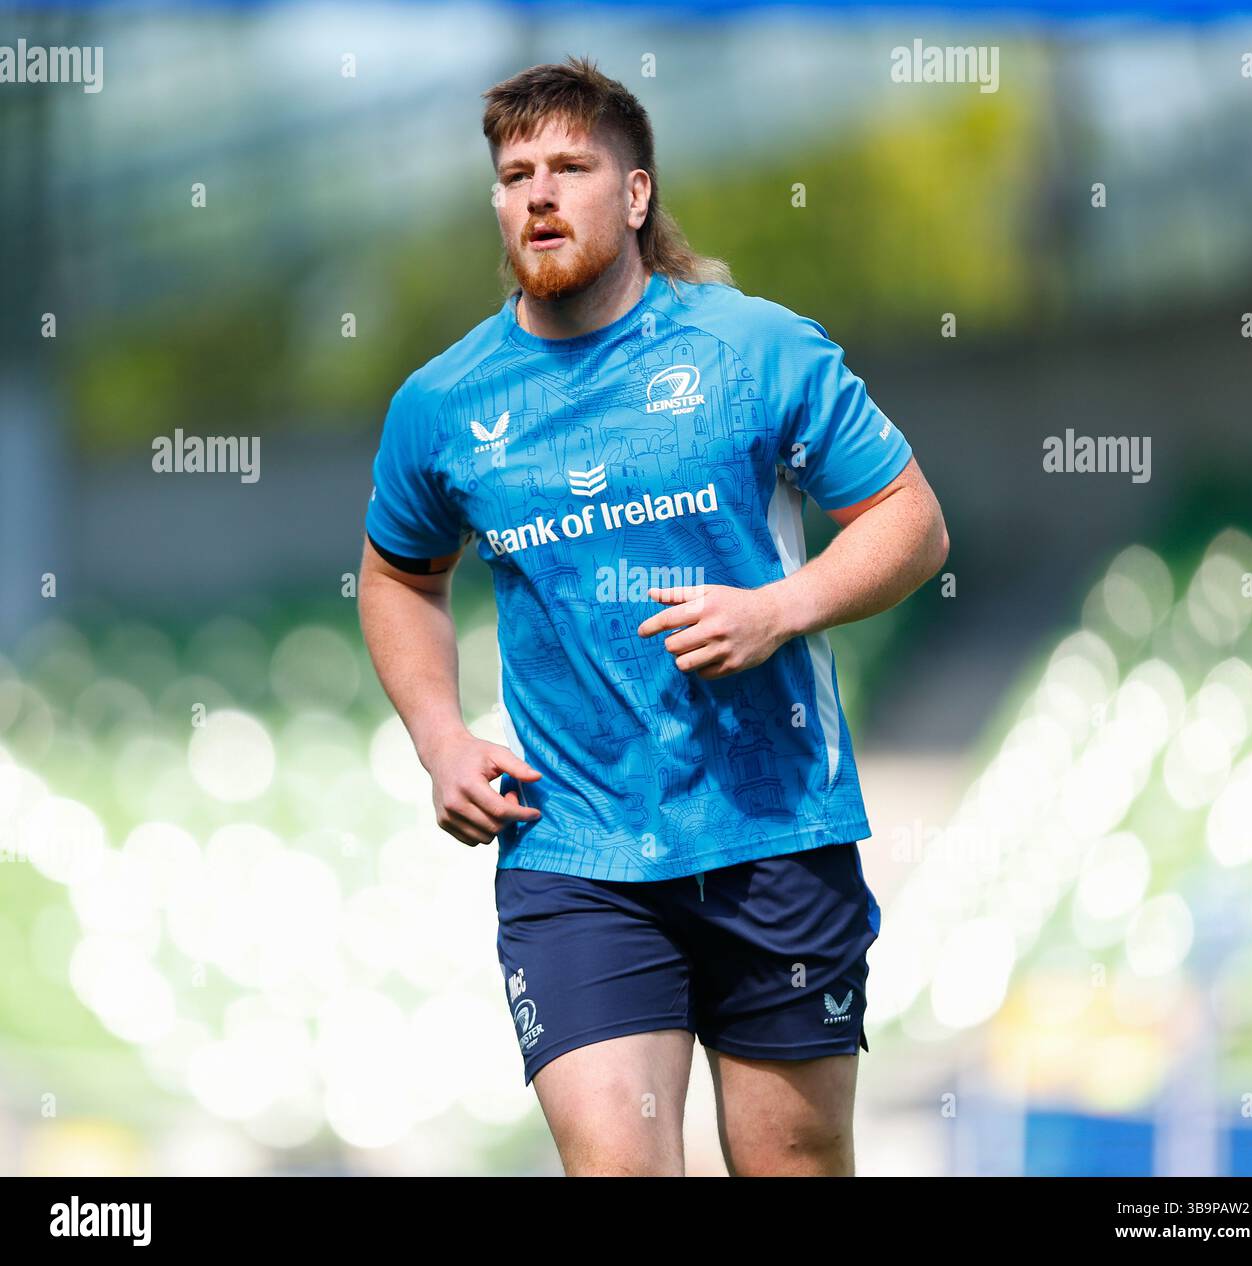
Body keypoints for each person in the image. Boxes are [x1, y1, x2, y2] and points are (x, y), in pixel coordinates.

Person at [357, 55, 949, 1177]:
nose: (538, 192)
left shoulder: (756, 349)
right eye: (515, 172)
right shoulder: (441, 404)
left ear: (634, 197)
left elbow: (912, 524)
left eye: (571, 167)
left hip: (775, 830)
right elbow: (399, 576)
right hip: (572, 851)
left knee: (793, 1159)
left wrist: (783, 608)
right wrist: (438, 739)